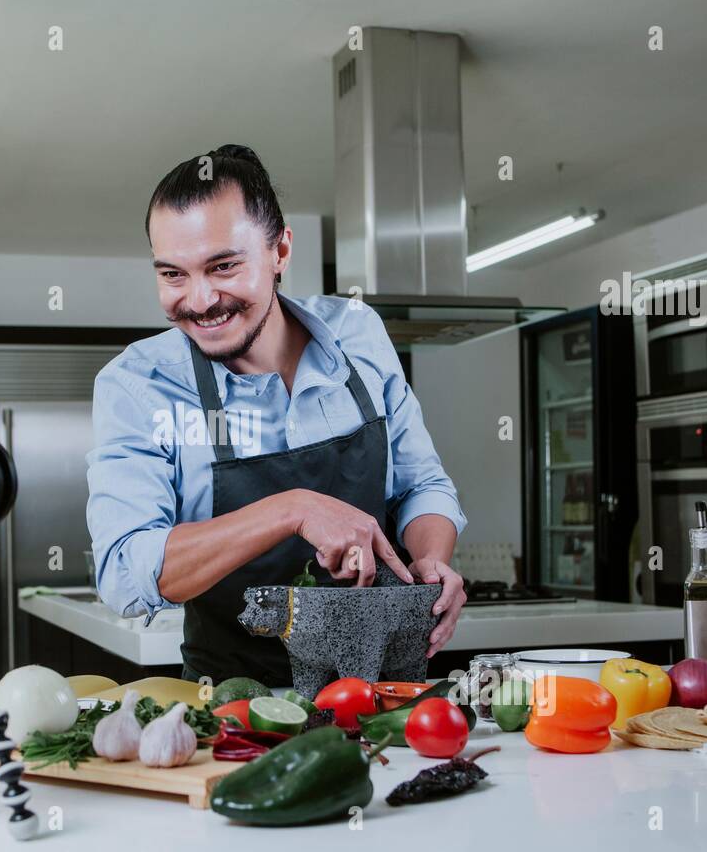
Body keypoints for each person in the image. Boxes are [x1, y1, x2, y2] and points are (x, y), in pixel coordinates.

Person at [86, 144, 467, 687]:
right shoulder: (138, 386)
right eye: (173, 275)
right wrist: (292, 510)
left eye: (223, 266)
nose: (198, 300)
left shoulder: (358, 334)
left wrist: (432, 560)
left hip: (383, 688)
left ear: (280, 250)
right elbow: (124, 572)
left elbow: (421, 485)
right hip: (236, 707)